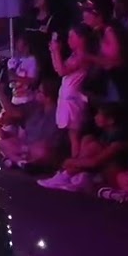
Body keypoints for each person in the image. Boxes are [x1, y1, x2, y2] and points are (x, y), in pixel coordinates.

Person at [37, 102, 128, 192]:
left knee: (94, 147)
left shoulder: (120, 139)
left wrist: (71, 161)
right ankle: (80, 177)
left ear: (110, 120)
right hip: (102, 168)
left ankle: (68, 174)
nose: (95, 117)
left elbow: (95, 162)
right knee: (88, 139)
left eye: (99, 114)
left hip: (117, 173)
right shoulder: (107, 133)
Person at [50, 24, 97, 159]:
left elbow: (62, 70)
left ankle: (76, 165)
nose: (69, 40)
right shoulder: (74, 55)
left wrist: (57, 51)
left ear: (82, 38)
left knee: (75, 136)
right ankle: (72, 165)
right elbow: (59, 69)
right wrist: (53, 52)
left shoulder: (82, 56)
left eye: (72, 36)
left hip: (74, 99)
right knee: (71, 136)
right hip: (67, 97)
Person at [0, 76, 64, 170]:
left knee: (42, 150)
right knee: (4, 143)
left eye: (40, 92)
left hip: (41, 151)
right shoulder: (34, 107)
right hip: (25, 148)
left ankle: (17, 161)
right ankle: (21, 163)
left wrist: (28, 148)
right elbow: (13, 111)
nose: (36, 93)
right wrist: (0, 92)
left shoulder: (57, 114)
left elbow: (50, 144)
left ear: (48, 97)